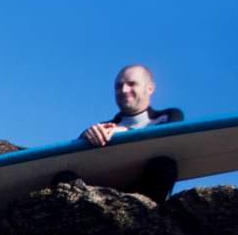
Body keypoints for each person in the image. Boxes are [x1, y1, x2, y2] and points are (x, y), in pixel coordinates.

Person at [76, 63, 184, 205]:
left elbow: (169, 142)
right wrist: (86, 136)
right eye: (118, 86)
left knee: (164, 164)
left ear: (150, 88)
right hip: (107, 197)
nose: (124, 90)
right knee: (65, 178)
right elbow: (77, 162)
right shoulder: (102, 128)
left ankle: (147, 219)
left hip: (147, 197)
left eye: (132, 84)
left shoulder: (168, 116)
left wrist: (125, 132)